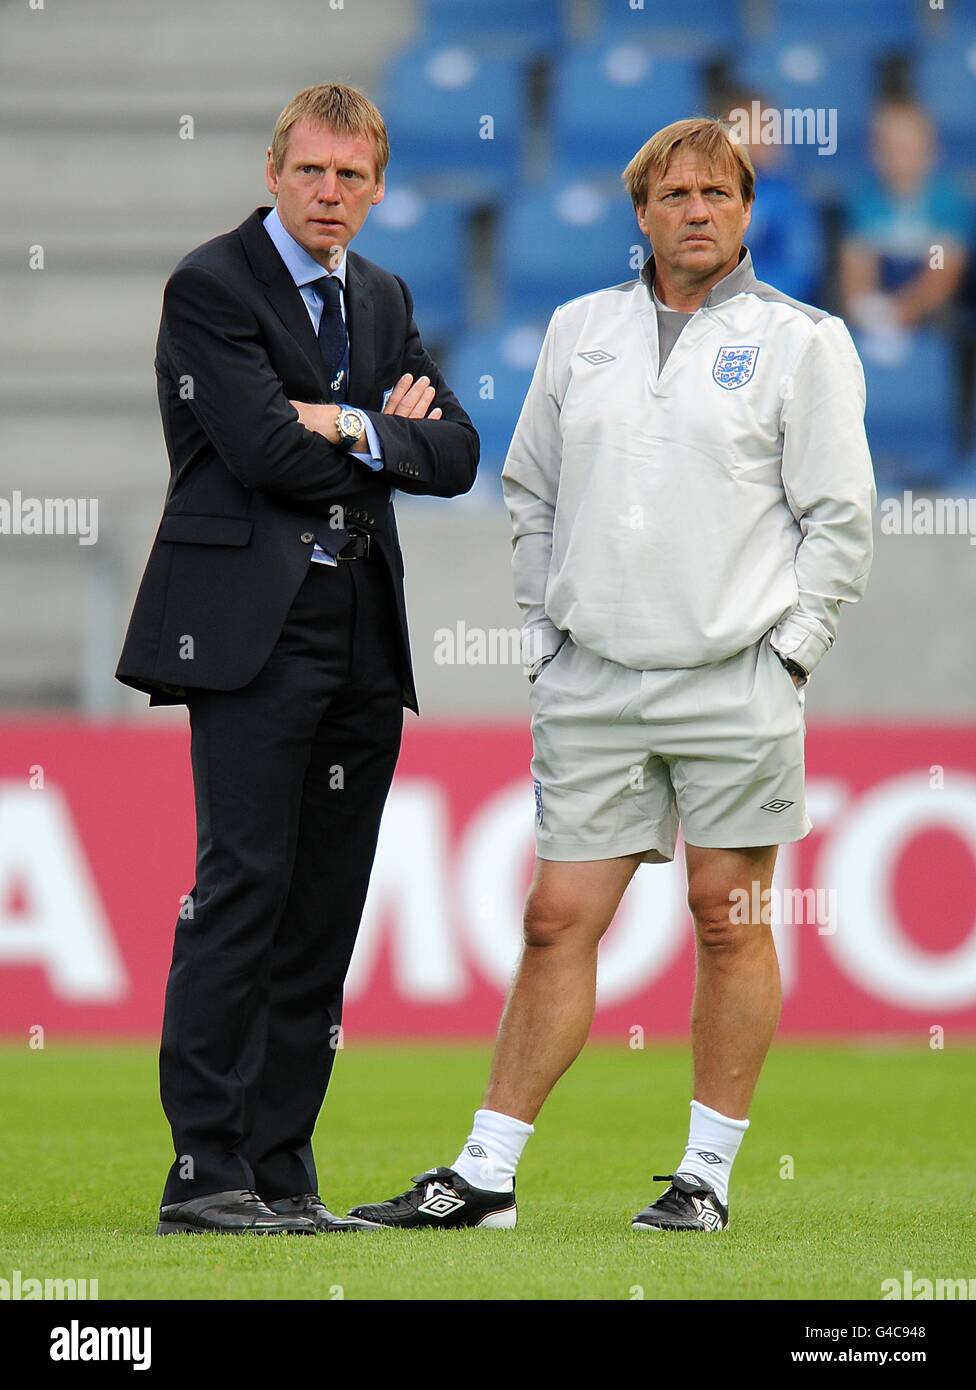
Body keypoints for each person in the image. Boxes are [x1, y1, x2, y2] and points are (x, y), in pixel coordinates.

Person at [347, 117, 874, 1234]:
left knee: (725, 916)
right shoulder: (578, 328)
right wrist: (545, 634)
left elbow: (840, 521)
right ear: (640, 213)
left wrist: (787, 655)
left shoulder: (805, 340)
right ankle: (485, 1175)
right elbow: (527, 489)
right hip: (592, 680)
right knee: (555, 918)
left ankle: (706, 1179)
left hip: (734, 677)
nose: (697, 210)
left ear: (743, 212)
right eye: (675, 193)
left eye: (718, 194)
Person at [115, 83, 478, 1235]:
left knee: (321, 911)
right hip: (250, 631)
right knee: (241, 890)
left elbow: (459, 452)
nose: (331, 194)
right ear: (274, 168)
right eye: (312, 171)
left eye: (353, 177)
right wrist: (379, 429)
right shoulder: (210, 283)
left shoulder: (382, 293)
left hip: (364, 632)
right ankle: (203, 1170)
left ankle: (279, 1167)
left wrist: (349, 424)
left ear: (378, 185)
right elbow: (268, 453)